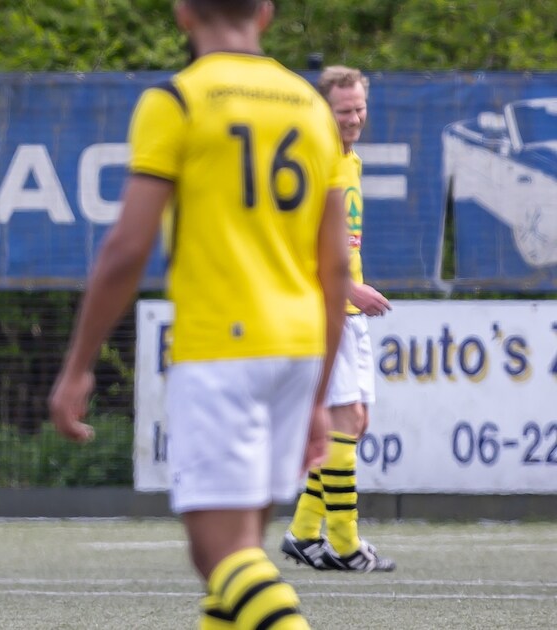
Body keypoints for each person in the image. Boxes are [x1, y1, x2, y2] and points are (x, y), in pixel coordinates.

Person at [48, 1, 350, 628]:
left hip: (222, 347)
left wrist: (78, 367)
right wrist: (320, 393)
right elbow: (337, 269)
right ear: (265, 13)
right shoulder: (311, 107)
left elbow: (126, 249)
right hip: (298, 347)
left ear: (184, 12)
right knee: (241, 560)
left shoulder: (178, 100)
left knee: (218, 553)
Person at [281, 66, 396, 573]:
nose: (354, 118)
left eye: (359, 108)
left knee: (355, 424)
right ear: (322, 110)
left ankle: (304, 534)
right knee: (344, 421)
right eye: (343, 110)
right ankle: (345, 545)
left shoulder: (352, 161)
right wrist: (350, 289)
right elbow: (296, 243)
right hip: (325, 306)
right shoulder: (313, 159)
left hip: (348, 308)